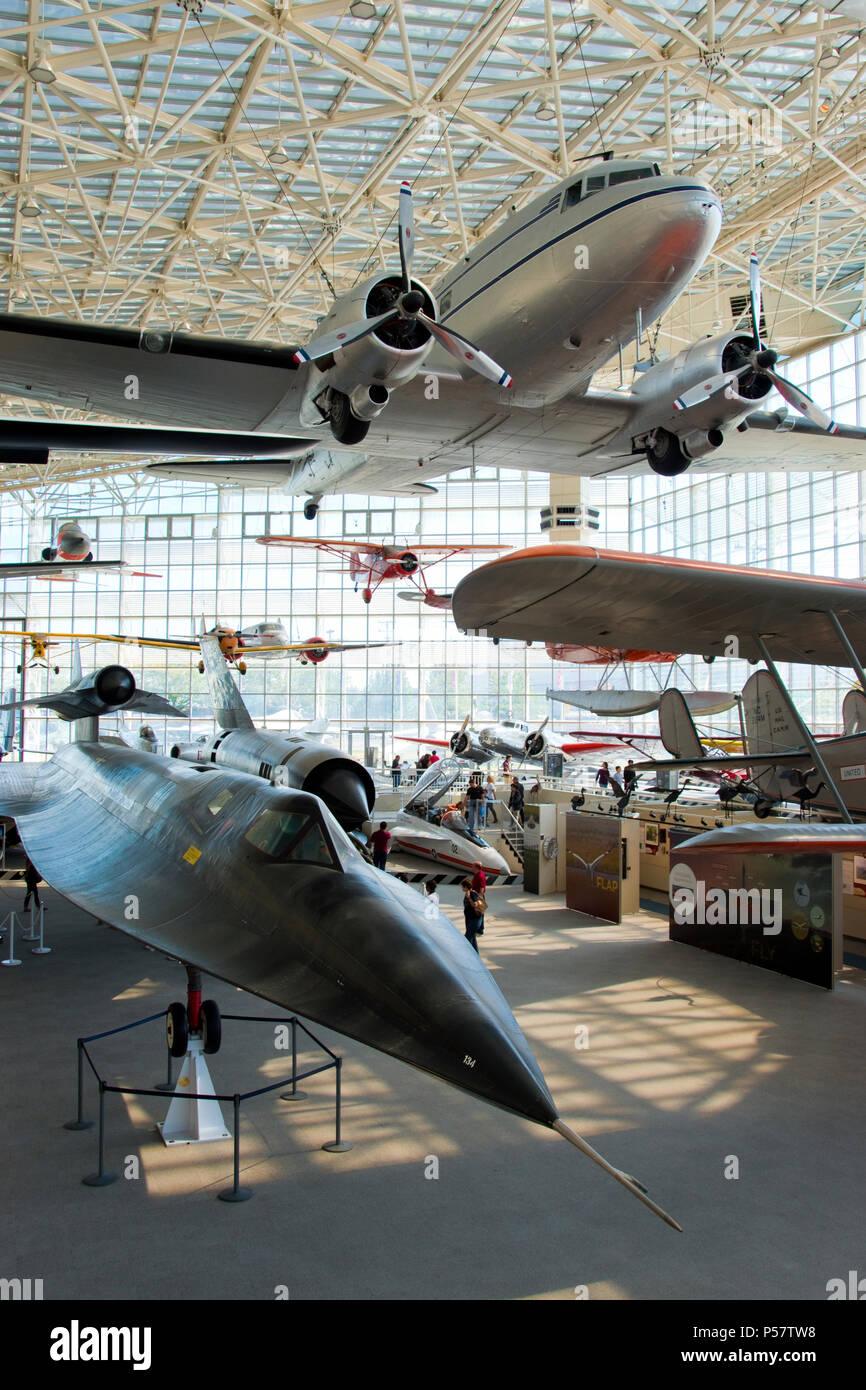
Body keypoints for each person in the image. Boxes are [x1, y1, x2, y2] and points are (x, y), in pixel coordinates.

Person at [461, 877, 484, 953]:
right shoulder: (468, 893)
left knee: (467, 938)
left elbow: (475, 904)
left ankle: (468, 955)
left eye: (463, 886)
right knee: (472, 939)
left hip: (475, 920)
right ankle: (476, 955)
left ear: (466, 887)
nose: (462, 888)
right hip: (470, 919)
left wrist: (469, 898)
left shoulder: (472, 894)